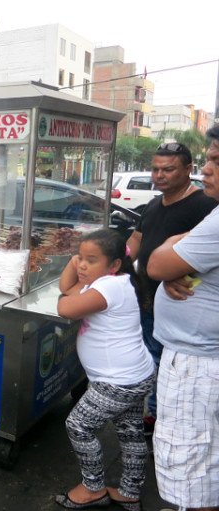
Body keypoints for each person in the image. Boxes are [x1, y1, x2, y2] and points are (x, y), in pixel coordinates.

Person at [54, 229, 155, 511]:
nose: (82, 266)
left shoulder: (108, 287)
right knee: (130, 431)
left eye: (91, 260)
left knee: (79, 425)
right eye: (80, 258)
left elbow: (66, 307)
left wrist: (68, 297)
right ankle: (130, 491)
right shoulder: (110, 282)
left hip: (118, 382)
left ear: (113, 265)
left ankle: (93, 488)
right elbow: (67, 287)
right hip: (134, 375)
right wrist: (75, 264)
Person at [147, 125, 219, 511]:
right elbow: (144, 252)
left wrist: (174, 251)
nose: (209, 169)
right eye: (209, 159)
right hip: (192, 350)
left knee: (192, 471)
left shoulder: (208, 209)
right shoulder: (156, 206)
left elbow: (157, 263)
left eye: (215, 161)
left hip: (198, 365)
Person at [126, 142, 216, 427]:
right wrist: (115, 265)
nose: (159, 175)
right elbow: (137, 241)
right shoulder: (153, 204)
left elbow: (210, 255)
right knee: (149, 362)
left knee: (165, 366)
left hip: (181, 310)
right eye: (155, 169)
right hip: (146, 301)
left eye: (168, 169)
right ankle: (153, 414)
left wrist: (186, 278)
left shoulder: (205, 205)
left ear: (188, 170)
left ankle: (157, 419)